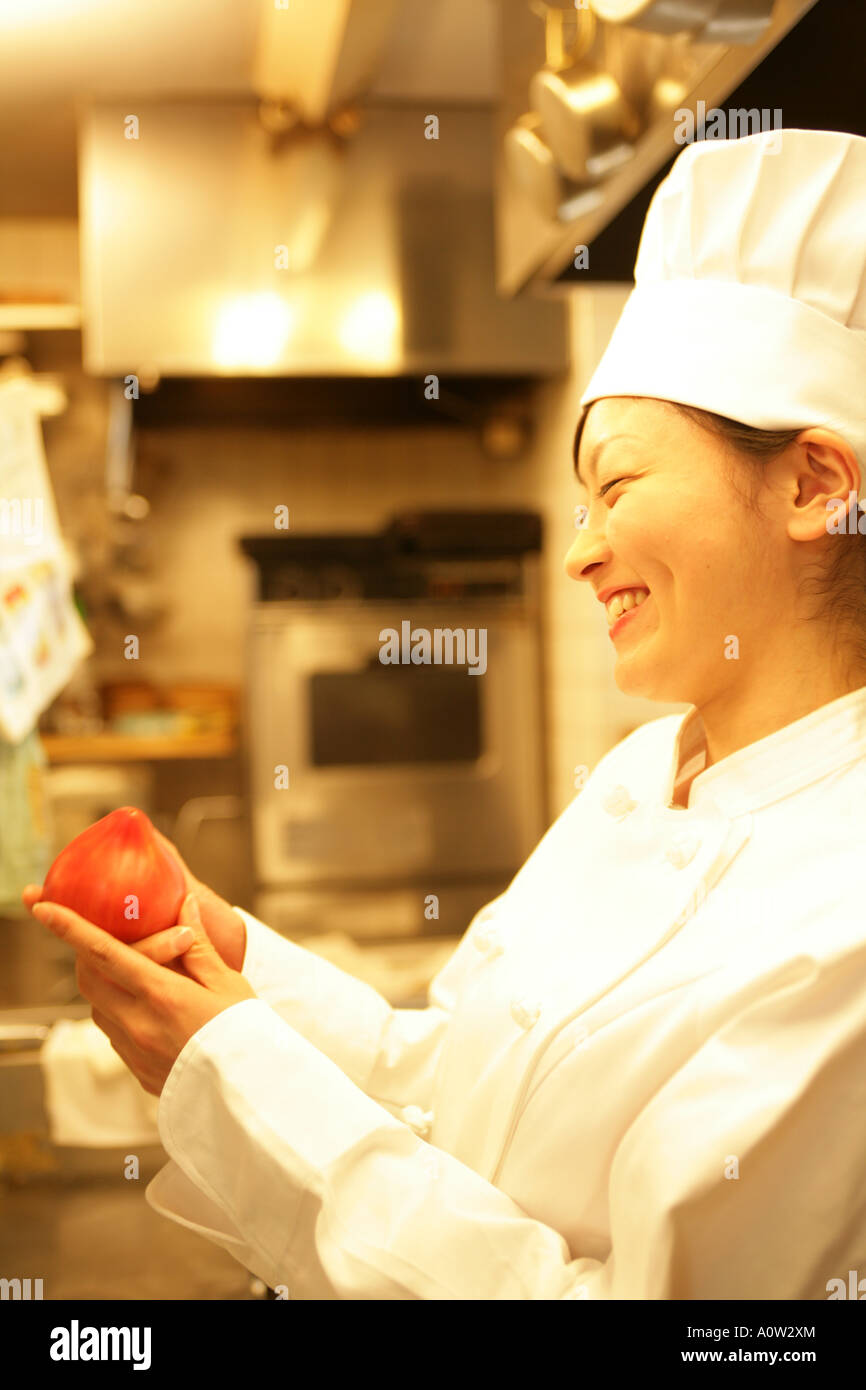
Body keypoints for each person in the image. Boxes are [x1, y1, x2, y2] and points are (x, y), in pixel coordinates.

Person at [26, 126, 866, 1299]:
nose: (576, 554)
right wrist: (245, 978)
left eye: (614, 485)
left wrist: (233, 1070)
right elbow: (451, 1082)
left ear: (814, 485)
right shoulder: (635, 775)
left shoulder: (847, 926)